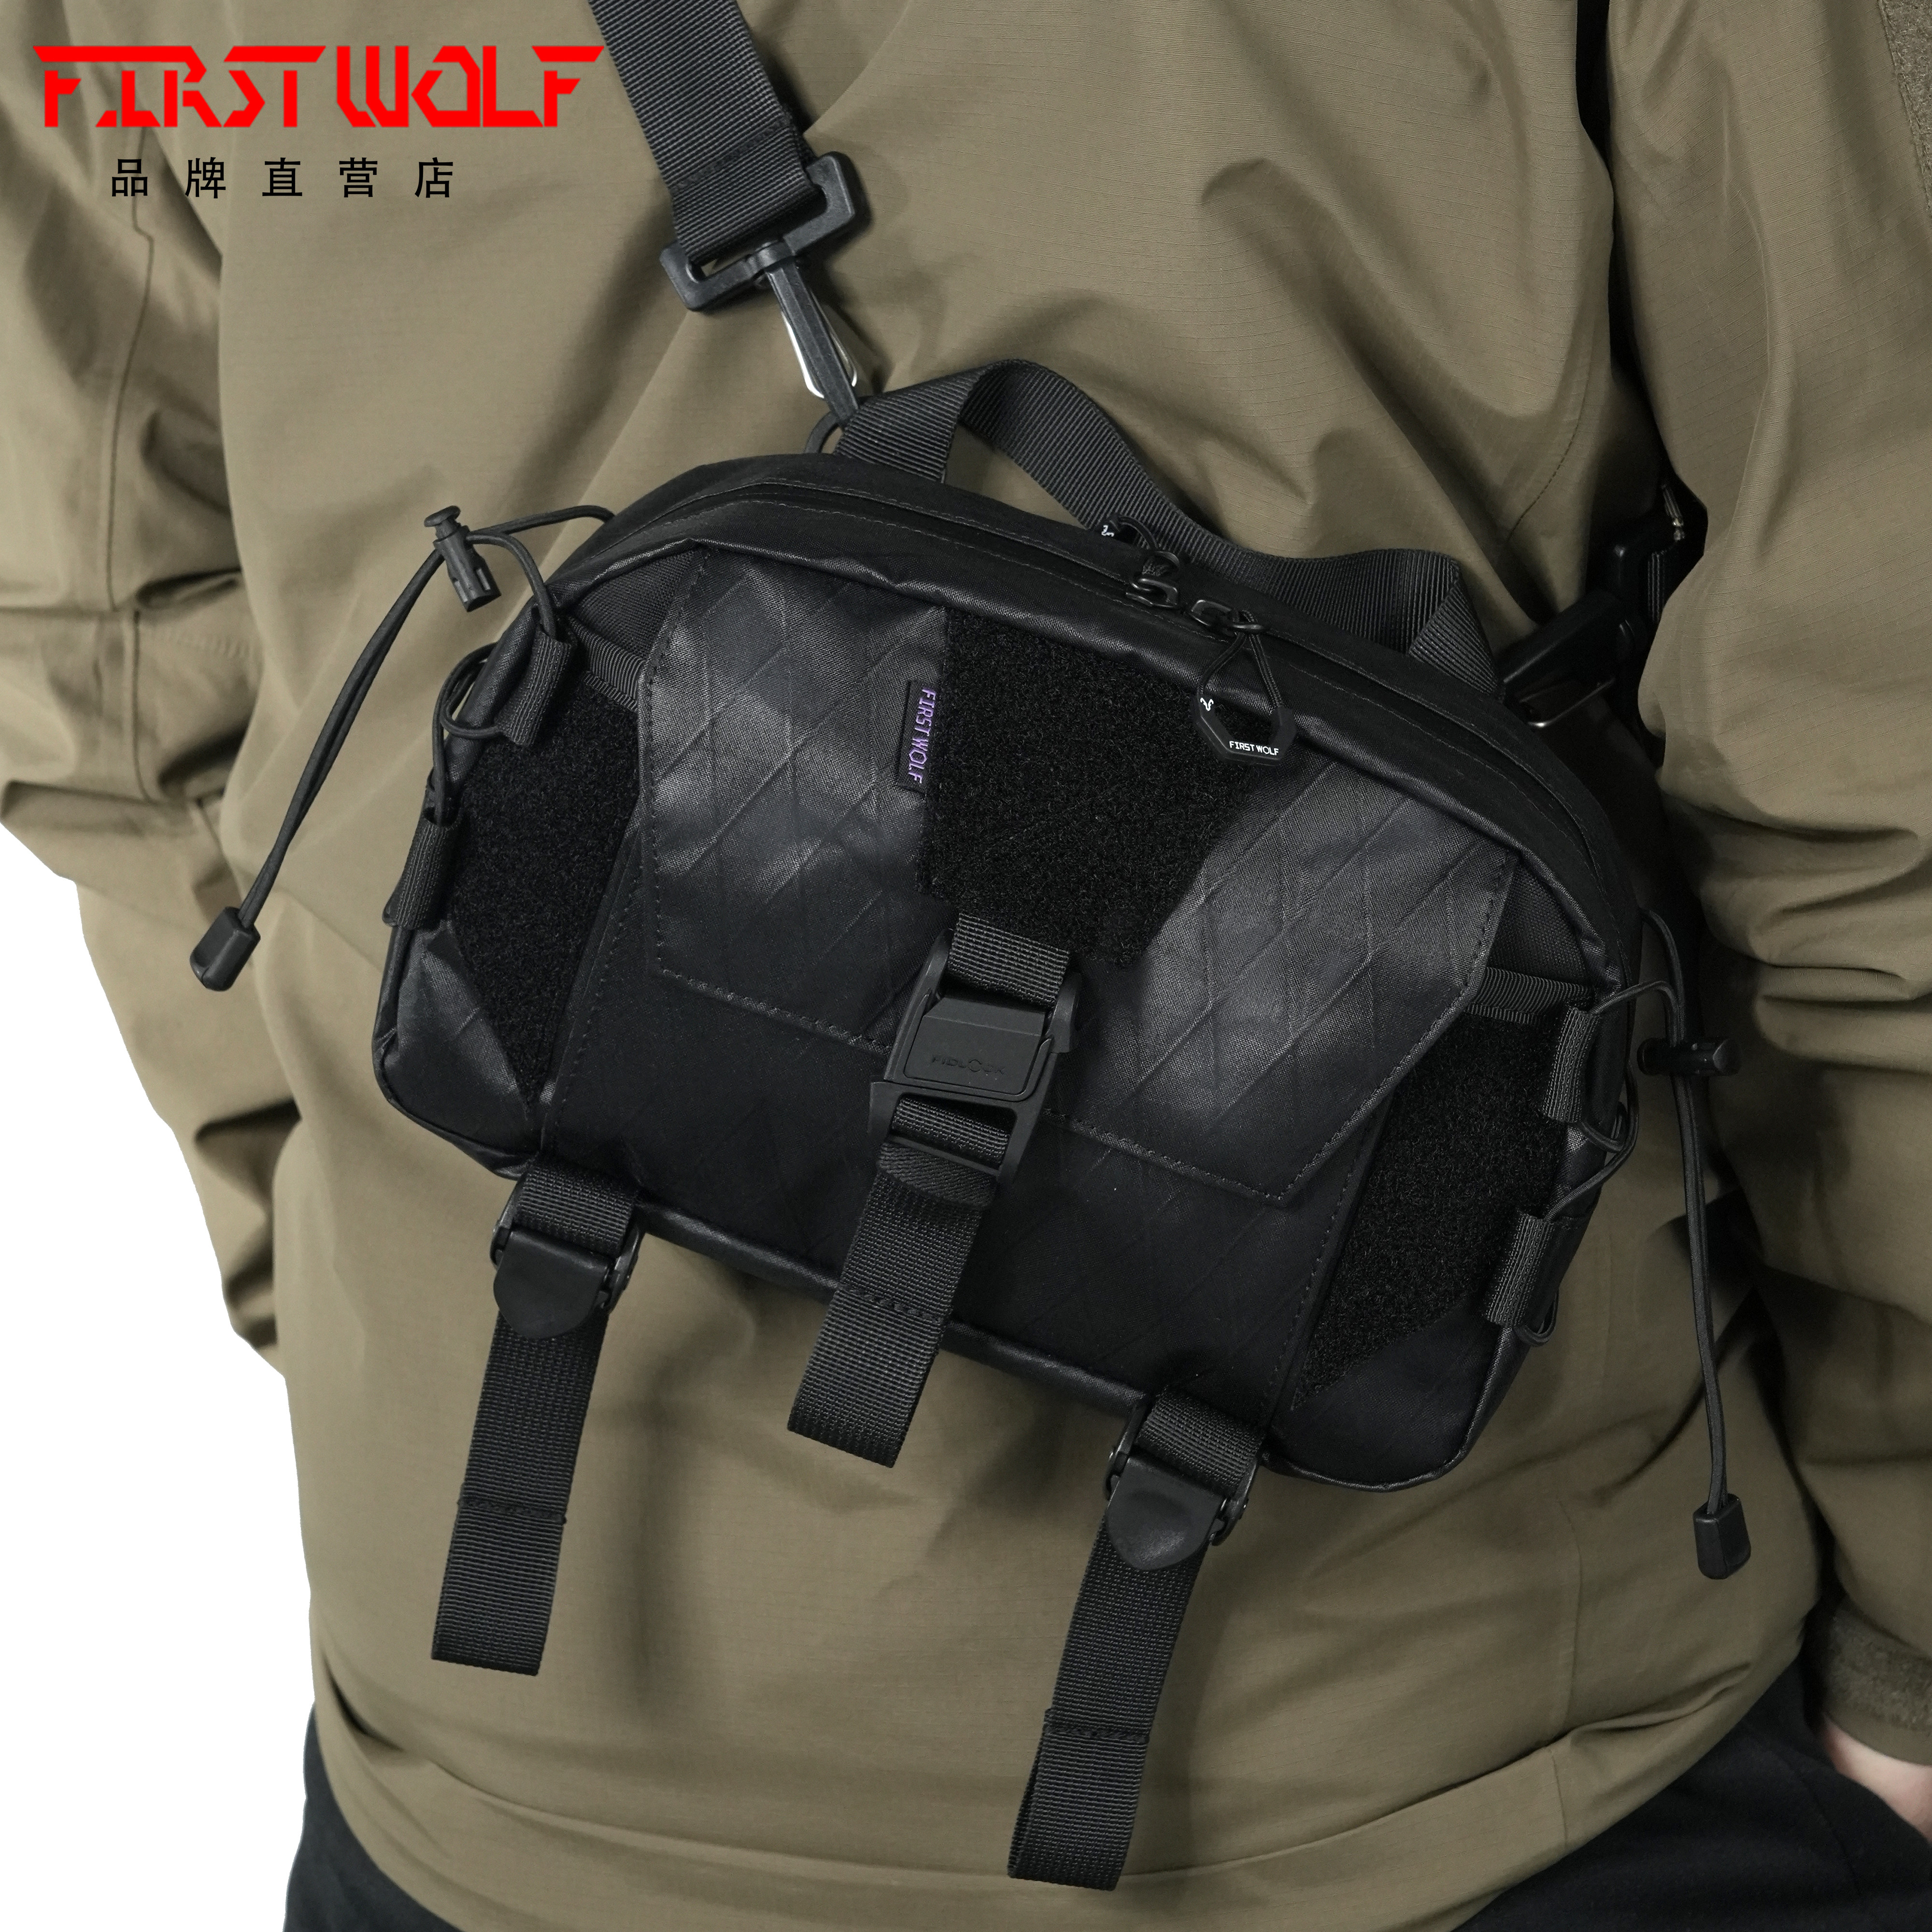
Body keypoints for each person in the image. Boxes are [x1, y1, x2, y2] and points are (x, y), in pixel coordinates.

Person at [4, 5, 1931, 1928]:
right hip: (1462, 1713)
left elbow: (104, 657)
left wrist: (344, 1257)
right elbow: (1874, 744)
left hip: (507, 1682)